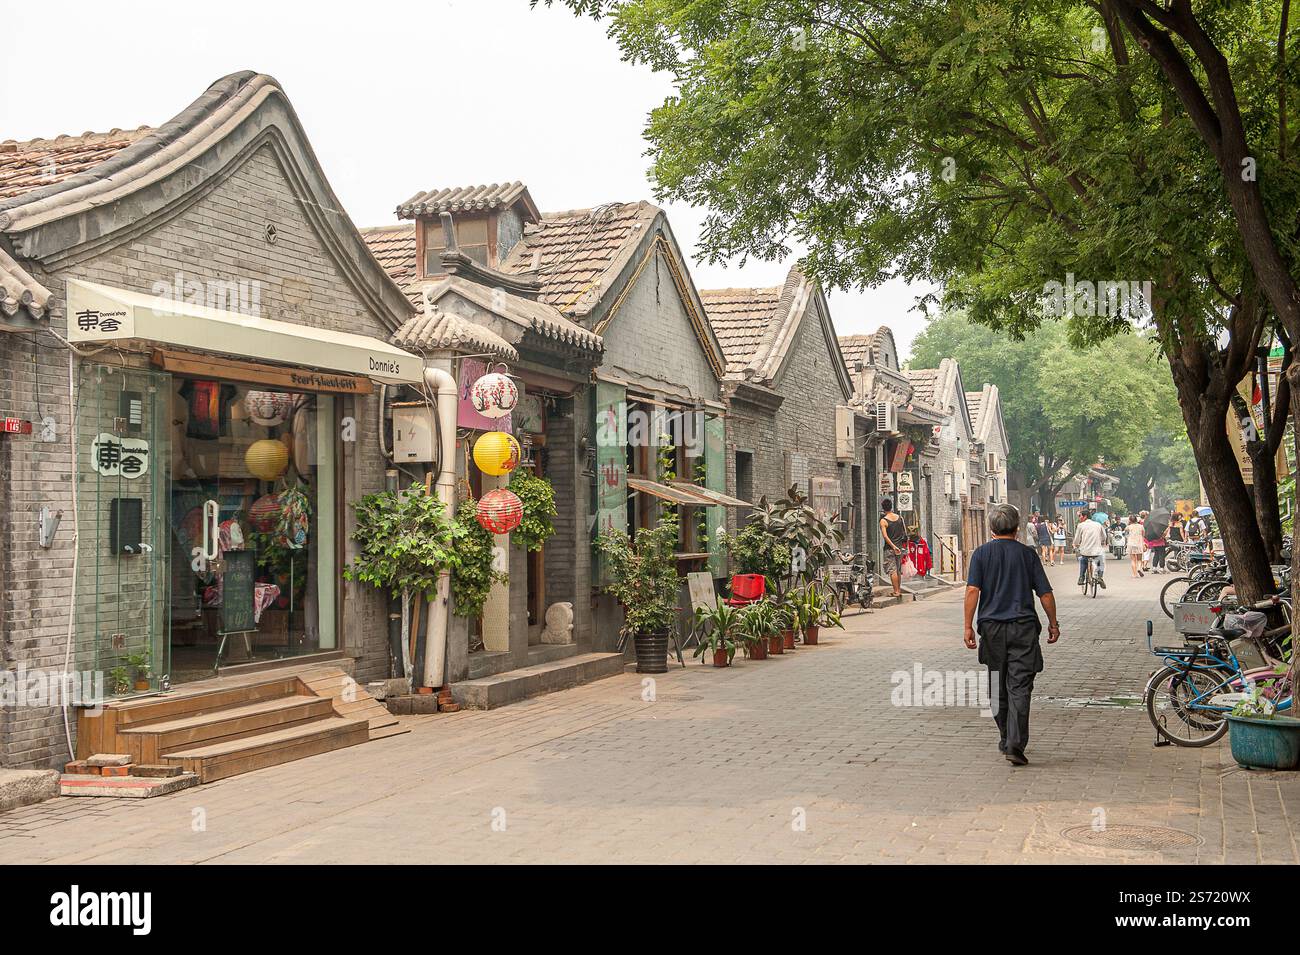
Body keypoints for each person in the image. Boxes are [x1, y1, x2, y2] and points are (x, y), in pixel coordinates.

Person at [963, 503, 1060, 766]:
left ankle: (1007, 737)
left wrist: (968, 626)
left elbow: (973, 591)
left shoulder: (981, 554)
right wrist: (1053, 623)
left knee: (997, 684)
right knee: (1019, 686)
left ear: (991, 527)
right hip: (1023, 628)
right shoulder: (1027, 555)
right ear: (1017, 528)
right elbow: (1045, 594)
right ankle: (1014, 743)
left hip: (992, 629)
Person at [1072, 508, 1108, 588]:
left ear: (1085, 516)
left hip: (1085, 551)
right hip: (1097, 551)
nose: (1079, 518)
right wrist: (1100, 541)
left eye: (1080, 516)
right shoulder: (1098, 524)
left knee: (1083, 560)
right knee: (1101, 561)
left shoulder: (1080, 525)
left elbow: (1077, 539)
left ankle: (1081, 577)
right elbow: (1104, 536)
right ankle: (1100, 577)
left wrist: (1075, 545)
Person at [879, 499, 907, 598]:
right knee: (898, 570)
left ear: (883, 508)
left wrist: (893, 546)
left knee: (892, 570)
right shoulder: (900, 518)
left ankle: (896, 591)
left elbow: (885, 536)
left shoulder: (884, 521)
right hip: (900, 548)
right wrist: (899, 547)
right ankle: (898, 590)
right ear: (891, 506)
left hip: (890, 549)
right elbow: (904, 533)